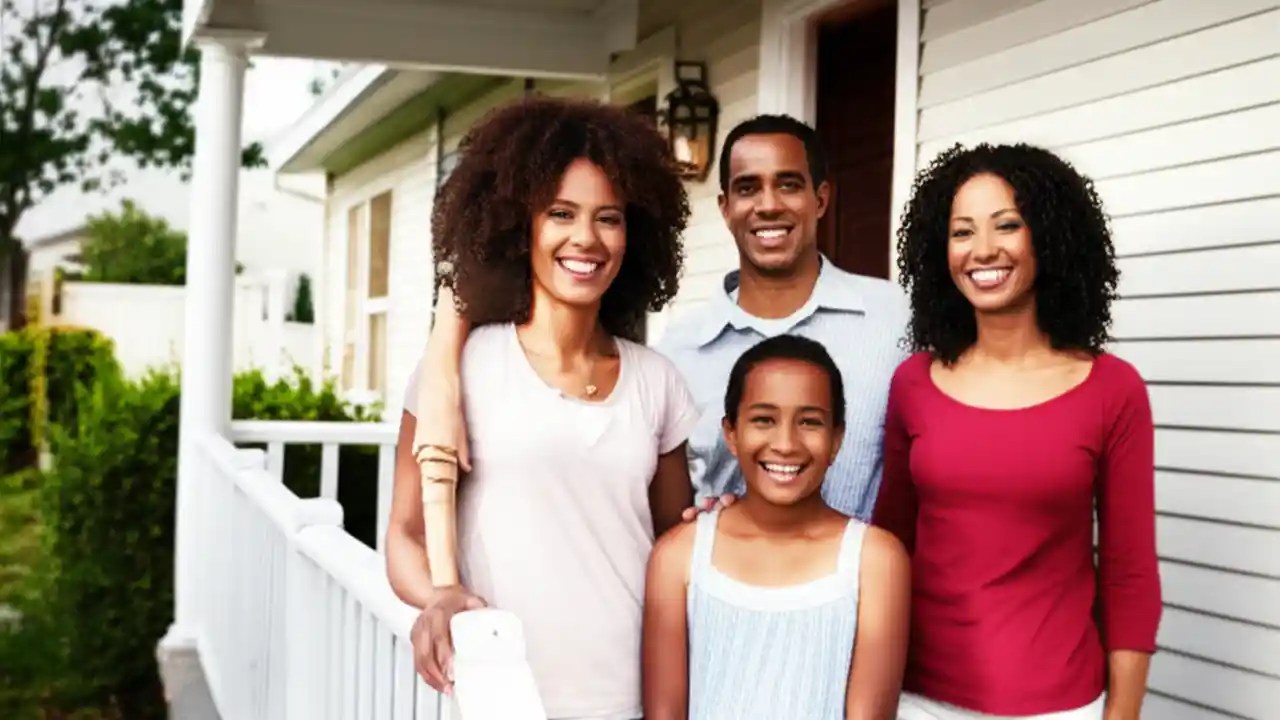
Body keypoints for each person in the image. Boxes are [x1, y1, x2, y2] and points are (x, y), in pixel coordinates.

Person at [383, 96, 698, 720]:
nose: (586, 238)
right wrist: (440, 595)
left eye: (608, 218)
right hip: (502, 695)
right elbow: (404, 534)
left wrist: (725, 523)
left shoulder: (657, 382)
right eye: (560, 213)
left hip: (630, 697)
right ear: (518, 225)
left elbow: (675, 550)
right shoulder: (460, 369)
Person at [875, 143, 1162, 719]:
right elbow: (888, 546)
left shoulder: (1112, 389)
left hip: (1059, 704)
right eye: (962, 232)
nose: (983, 250)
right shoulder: (913, 383)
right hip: (918, 698)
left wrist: (1123, 713)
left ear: (1049, 236)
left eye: (1007, 225)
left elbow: (1130, 574)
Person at [656, 114, 910, 521]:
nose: (769, 205)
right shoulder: (678, 351)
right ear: (725, 208)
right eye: (748, 188)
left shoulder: (895, 319)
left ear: (820, 199)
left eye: (788, 185)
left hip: (868, 560)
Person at [643, 334, 910, 720]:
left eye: (810, 422)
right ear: (731, 433)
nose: (785, 444)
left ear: (837, 439)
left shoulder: (875, 560)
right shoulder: (679, 555)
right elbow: (665, 712)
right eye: (763, 420)